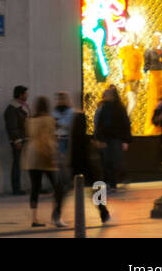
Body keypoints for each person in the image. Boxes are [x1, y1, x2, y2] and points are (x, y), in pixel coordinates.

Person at [25, 96, 66, 228]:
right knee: (58, 186)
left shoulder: (30, 120)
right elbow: (50, 138)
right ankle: (56, 217)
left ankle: (34, 218)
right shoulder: (49, 120)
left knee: (35, 188)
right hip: (45, 155)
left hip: (31, 155)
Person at [69, 92, 110, 224]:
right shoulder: (87, 140)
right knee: (98, 186)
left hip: (76, 166)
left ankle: (57, 211)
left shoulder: (74, 140)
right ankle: (103, 211)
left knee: (65, 189)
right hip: (89, 167)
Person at [93, 85, 131, 193]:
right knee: (107, 160)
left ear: (113, 96)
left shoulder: (119, 108)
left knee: (113, 160)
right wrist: (98, 137)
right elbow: (99, 123)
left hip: (115, 138)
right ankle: (110, 183)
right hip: (107, 138)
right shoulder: (105, 107)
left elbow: (125, 124)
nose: (106, 96)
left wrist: (125, 139)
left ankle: (113, 182)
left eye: (108, 94)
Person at [3, 85, 29, 195]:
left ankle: (35, 186)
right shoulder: (12, 109)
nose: (27, 95)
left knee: (29, 163)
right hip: (19, 140)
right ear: (20, 94)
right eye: (25, 93)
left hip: (25, 138)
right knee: (17, 164)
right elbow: (12, 126)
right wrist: (17, 140)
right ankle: (16, 188)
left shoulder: (23, 106)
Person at [52, 92, 74, 187]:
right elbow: (52, 124)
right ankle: (60, 183)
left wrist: (60, 123)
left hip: (68, 138)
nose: (60, 101)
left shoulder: (70, 111)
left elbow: (70, 124)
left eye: (62, 99)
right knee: (59, 163)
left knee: (67, 162)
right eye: (59, 99)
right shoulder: (55, 111)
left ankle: (68, 182)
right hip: (59, 138)